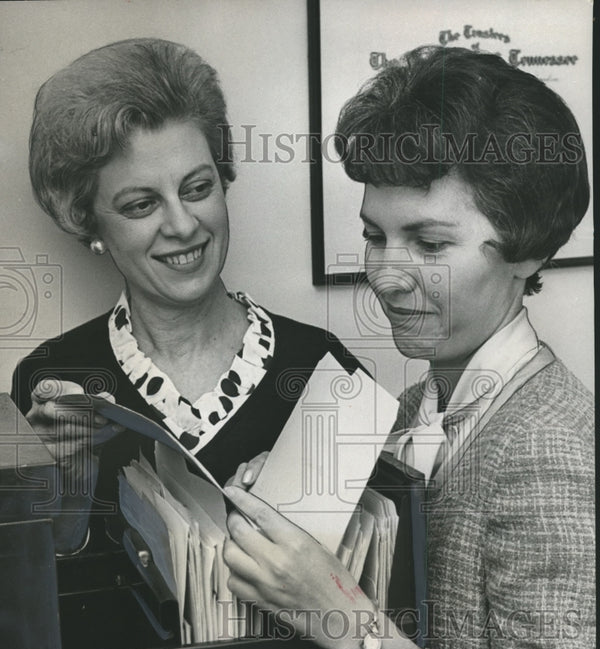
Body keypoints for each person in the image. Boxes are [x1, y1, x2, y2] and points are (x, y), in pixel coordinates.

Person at [223, 46, 595, 649]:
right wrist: (296, 499)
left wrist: (344, 619)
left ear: (526, 250)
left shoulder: (549, 453)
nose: (387, 276)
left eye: (427, 242)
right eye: (373, 234)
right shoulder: (409, 407)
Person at [10, 38, 360, 559]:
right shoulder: (52, 381)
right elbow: (34, 602)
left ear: (223, 181)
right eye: (141, 204)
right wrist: (52, 479)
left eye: (197, 188)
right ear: (90, 224)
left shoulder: (323, 367)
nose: (182, 224)